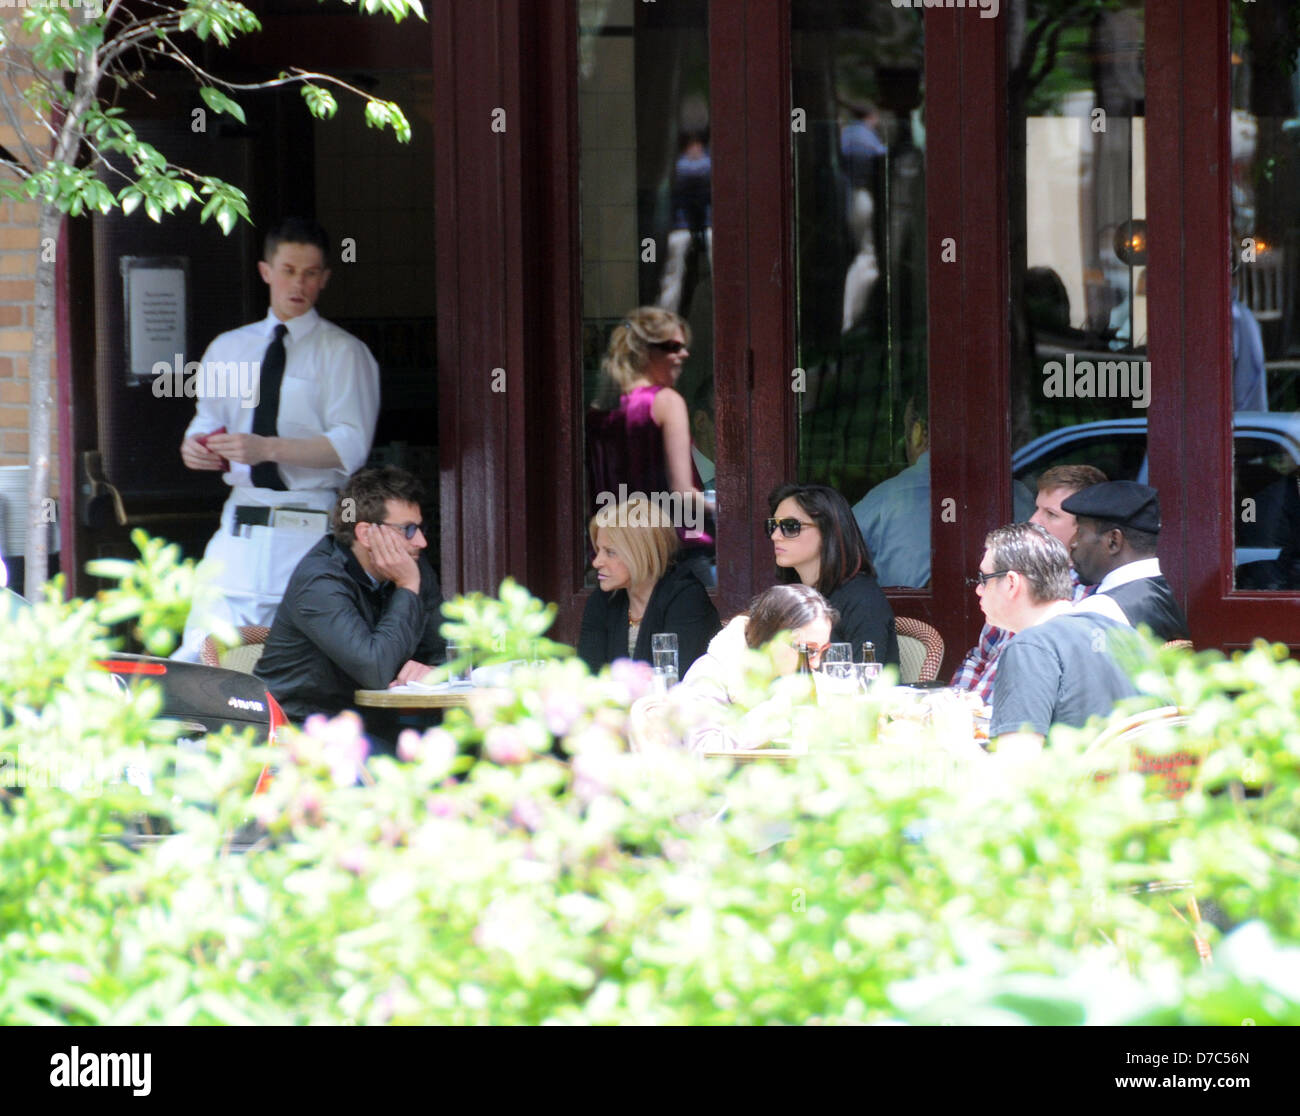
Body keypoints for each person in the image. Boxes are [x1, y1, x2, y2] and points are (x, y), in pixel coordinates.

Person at [175, 217, 380, 660]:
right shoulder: (229, 348)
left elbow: (351, 445)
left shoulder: (343, 353)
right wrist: (195, 448)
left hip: (306, 525)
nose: (298, 283)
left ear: (325, 278)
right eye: (288, 270)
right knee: (202, 650)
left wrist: (267, 448)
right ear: (266, 271)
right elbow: (206, 420)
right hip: (239, 529)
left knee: (296, 656)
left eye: (310, 273)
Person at [254, 467, 446, 736]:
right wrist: (407, 587)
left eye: (421, 528)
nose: (422, 542)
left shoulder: (414, 565)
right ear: (366, 534)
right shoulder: (320, 582)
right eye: (408, 529)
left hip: (373, 726)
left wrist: (434, 669)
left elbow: (450, 646)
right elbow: (375, 670)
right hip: (301, 732)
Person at [975, 522, 1140, 753]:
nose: (978, 590)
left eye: (984, 578)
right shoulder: (1129, 637)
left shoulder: (1029, 647)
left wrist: (952, 739)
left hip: (1074, 787)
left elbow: (1015, 769)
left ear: (1012, 583)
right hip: (1149, 786)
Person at [951, 464, 1107, 702]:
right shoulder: (1017, 577)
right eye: (1036, 509)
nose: (1034, 521)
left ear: (1084, 528)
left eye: (1051, 514)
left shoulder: (1093, 597)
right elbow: (979, 658)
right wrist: (958, 705)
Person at [585, 307, 714, 581]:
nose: (684, 354)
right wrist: (732, 508)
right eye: (674, 347)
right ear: (646, 352)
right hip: (671, 549)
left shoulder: (598, 411)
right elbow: (682, 492)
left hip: (616, 551)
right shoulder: (666, 401)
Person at [674, 584, 838, 752]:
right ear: (771, 638)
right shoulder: (711, 673)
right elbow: (701, 752)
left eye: (823, 651)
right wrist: (774, 714)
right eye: (807, 650)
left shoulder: (803, 680)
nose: (816, 663)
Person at [578, 495, 719, 675]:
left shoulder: (686, 598)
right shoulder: (602, 600)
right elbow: (588, 675)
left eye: (610, 552)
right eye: (598, 551)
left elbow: (679, 679)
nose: (597, 562)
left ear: (641, 553)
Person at [768, 483, 898, 665]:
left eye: (790, 526)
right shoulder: (791, 597)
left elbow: (868, 680)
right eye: (773, 525)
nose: (775, 535)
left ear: (827, 530)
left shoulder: (862, 598)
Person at [1062, 481, 1192, 642]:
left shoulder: (1100, 613)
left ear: (1113, 541)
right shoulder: (1160, 594)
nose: (1073, 543)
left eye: (1080, 532)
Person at [852, 397, 930, 587]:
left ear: (918, 432)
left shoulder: (884, 498)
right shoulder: (1014, 493)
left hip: (902, 615)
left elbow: (835, 551)